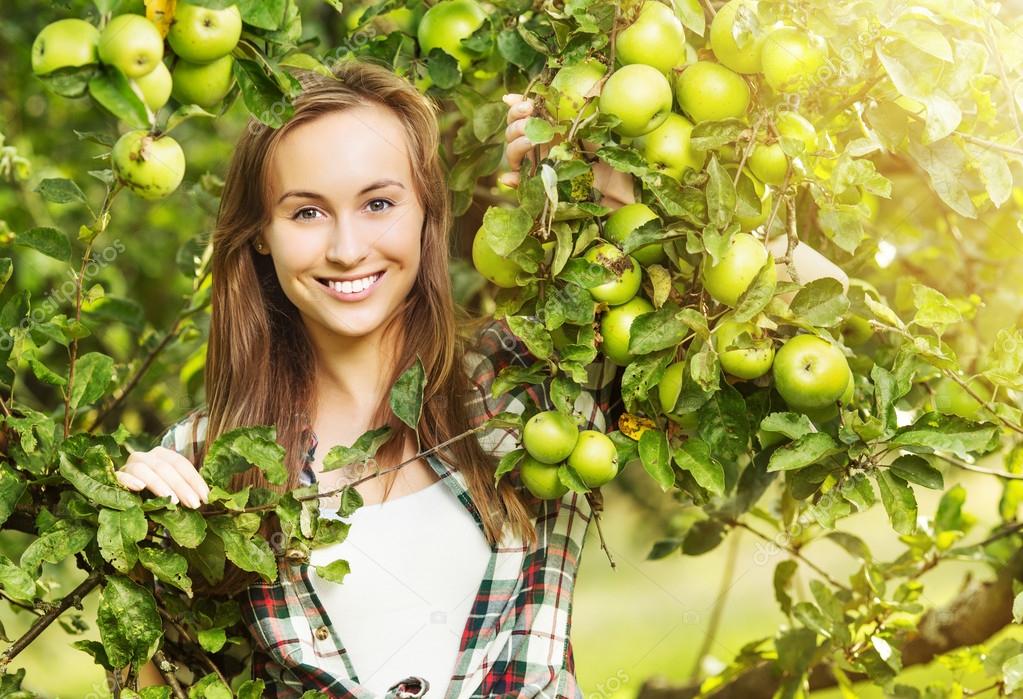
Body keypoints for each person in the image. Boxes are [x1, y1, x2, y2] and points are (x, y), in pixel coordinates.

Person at [116, 59, 845, 697]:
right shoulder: (209, 460)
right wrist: (129, 542)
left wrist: (630, 201)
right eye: (307, 212)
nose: (346, 247)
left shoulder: (530, 382)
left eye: (378, 203)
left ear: (427, 213)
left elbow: (830, 303)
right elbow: (162, 680)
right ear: (260, 237)